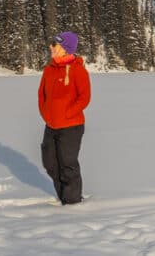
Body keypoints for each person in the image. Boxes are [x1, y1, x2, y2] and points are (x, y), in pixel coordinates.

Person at [38, 31, 91, 205]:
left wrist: (67, 113)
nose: (51, 47)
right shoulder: (49, 70)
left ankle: (72, 203)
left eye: (55, 44)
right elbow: (41, 95)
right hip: (51, 125)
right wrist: (46, 113)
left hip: (71, 126)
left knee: (68, 164)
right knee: (50, 162)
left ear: (66, 49)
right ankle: (63, 197)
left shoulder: (78, 70)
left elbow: (84, 97)